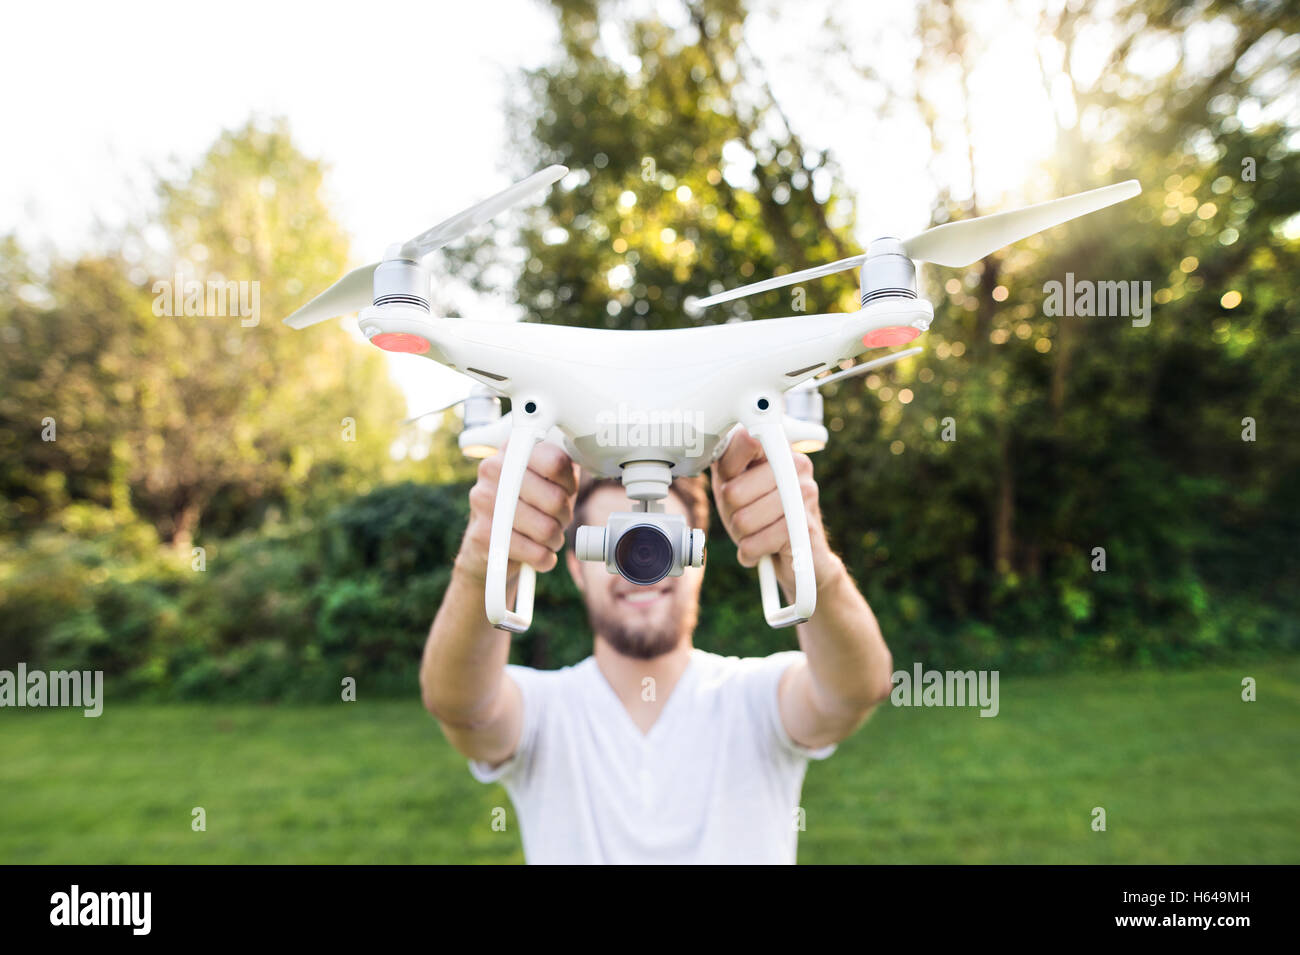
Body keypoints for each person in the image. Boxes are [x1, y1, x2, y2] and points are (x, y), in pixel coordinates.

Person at [420, 428, 893, 864]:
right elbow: (461, 706)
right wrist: (484, 561)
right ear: (578, 566)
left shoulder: (754, 697)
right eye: (617, 545)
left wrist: (807, 558)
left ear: (698, 557)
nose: (640, 567)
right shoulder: (545, 711)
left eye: (659, 544)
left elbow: (855, 689)